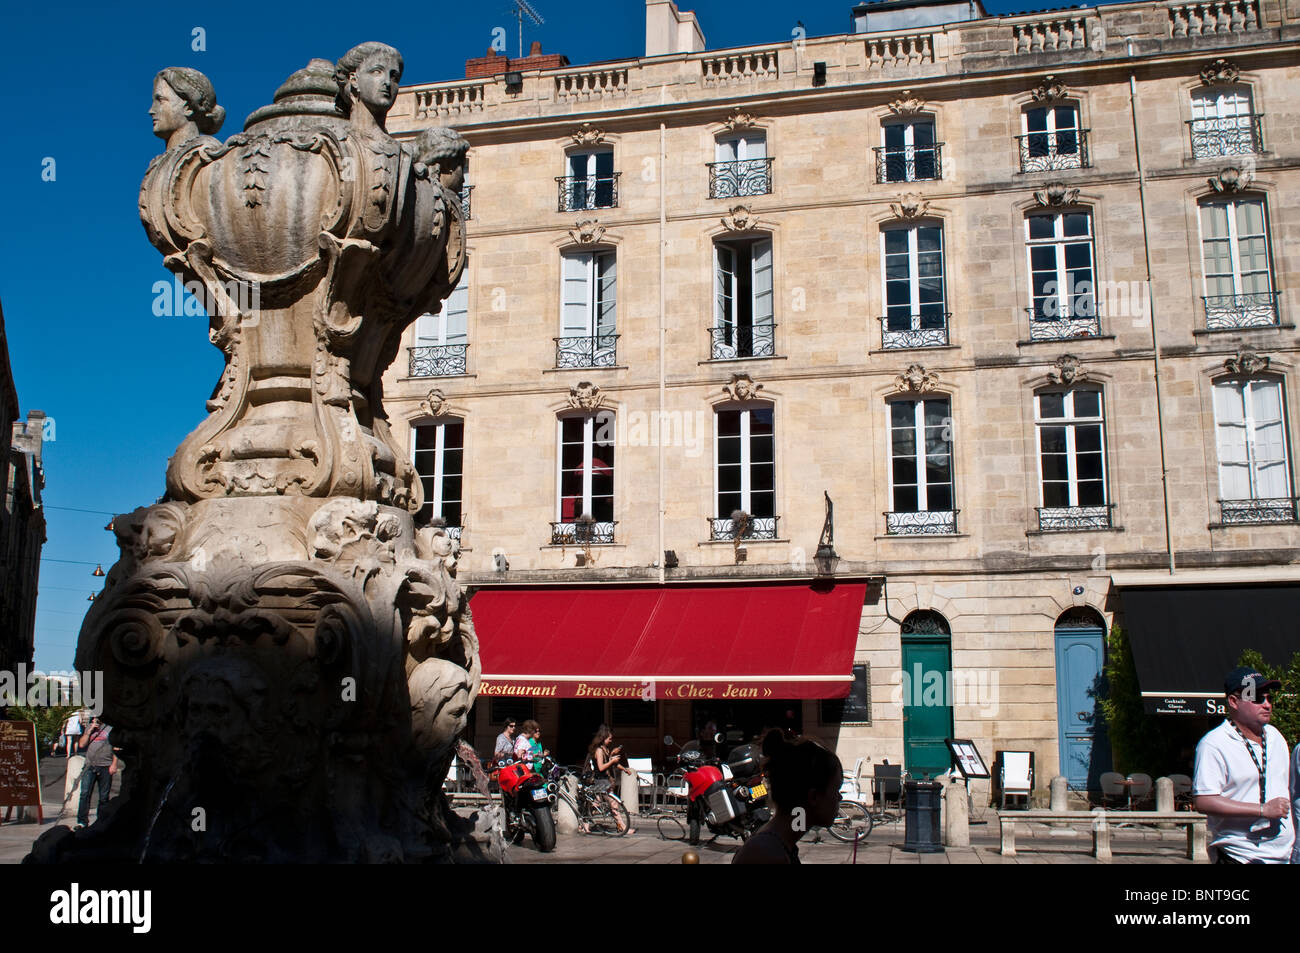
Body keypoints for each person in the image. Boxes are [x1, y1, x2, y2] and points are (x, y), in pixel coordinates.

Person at [1192, 666, 1294, 864]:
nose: (1266, 705)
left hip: (1282, 856)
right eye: (1257, 698)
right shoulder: (1214, 743)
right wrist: (1262, 810)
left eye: (1269, 698)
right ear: (1233, 701)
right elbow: (1204, 800)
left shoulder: (1276, 737)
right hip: (1240, 854)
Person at [733, 730, 842, 864]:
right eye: (836, 789)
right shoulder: (766, 854)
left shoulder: (780, 844)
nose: (840, 797)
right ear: (813, 797)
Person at [586, 725, 635, 834]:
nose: (611, 741)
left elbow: (612, 763)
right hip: (600, 781)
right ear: (603, 738)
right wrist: (612, 761)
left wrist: (624, 769)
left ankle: (584, 824)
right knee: (613, 803)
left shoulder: (606, 749)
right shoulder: (599, 750)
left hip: (604, 781)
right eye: (609, 739)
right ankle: (622, 827)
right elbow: (601, 767)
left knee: (596, 804)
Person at [75, 717, 118, 830]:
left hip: (106, 765)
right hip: (90, 765)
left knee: (104, 796)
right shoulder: (90, 727)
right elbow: (82, 745)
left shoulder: (111, 728)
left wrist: (114, 764)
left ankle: (101, 820)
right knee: (85, 794)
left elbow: (116, 747)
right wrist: (89, 731)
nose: (96, 719)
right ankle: (82, 821)